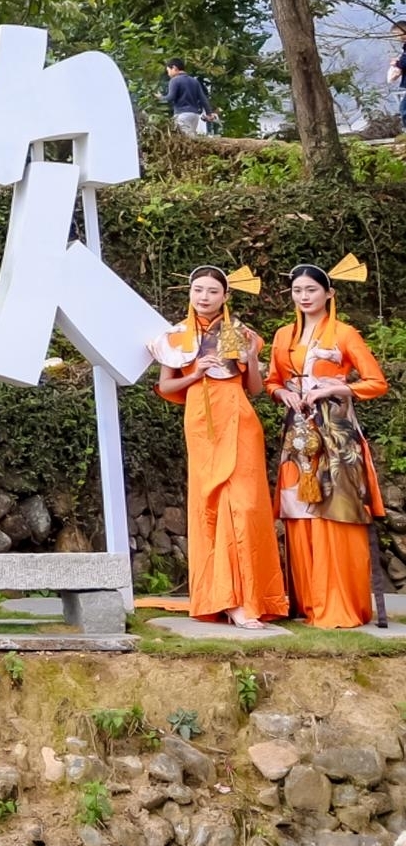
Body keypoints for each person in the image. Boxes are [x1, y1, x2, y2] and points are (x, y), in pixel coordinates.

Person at [154, 267, 285, 628]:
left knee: (245, 505)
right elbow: (166, 387)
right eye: (198, 289)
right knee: (210, 505)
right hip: (200, 422)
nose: (204, 297)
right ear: (189, 292)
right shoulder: (176, 336)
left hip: (239, 419)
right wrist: (195, 374)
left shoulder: (241, 333)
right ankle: (224, 598)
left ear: (225, 296)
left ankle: (251, 597)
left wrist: (252, 358)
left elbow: (254, 389)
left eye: (213, 291)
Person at [270, 262, 390, 628]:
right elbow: (273, 380)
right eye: (297, 291)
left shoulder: (344, 333)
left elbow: (376, 382)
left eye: (311, 290)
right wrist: (282, 393)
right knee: (299, 508)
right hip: (298, 430)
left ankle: (339, 602)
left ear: (329, 293)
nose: (304, 296)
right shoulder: (283, 335)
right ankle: (309, 601)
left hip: (336, 432)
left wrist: (337, 387)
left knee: (336, 507)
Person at [163, 61, 212, 137]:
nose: (168, 74)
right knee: (191, 138)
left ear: (174, 68)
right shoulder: (194, 81)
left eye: (168, 71)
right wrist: (209, 114)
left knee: (185, 139)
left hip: (182, 115)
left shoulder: (174, 80)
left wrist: (160, 98)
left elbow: (170, 98)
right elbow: (203, 99)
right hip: (194, 115)